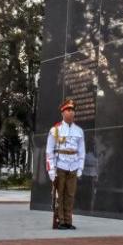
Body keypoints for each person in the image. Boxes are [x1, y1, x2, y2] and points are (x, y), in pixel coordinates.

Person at [46, 98, 85, 229]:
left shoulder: (79, 131)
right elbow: (49, 151)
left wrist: (80, 167)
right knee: (60, 195)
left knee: (70, 195)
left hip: (73, 166)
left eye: (72, 110)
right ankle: (60, 221)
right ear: (62, 113)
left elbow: (81, 151)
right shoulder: (55, 130)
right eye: (68, 110)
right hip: (60, 165)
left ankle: (68, 221)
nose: (71, 113)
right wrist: (51, 170)